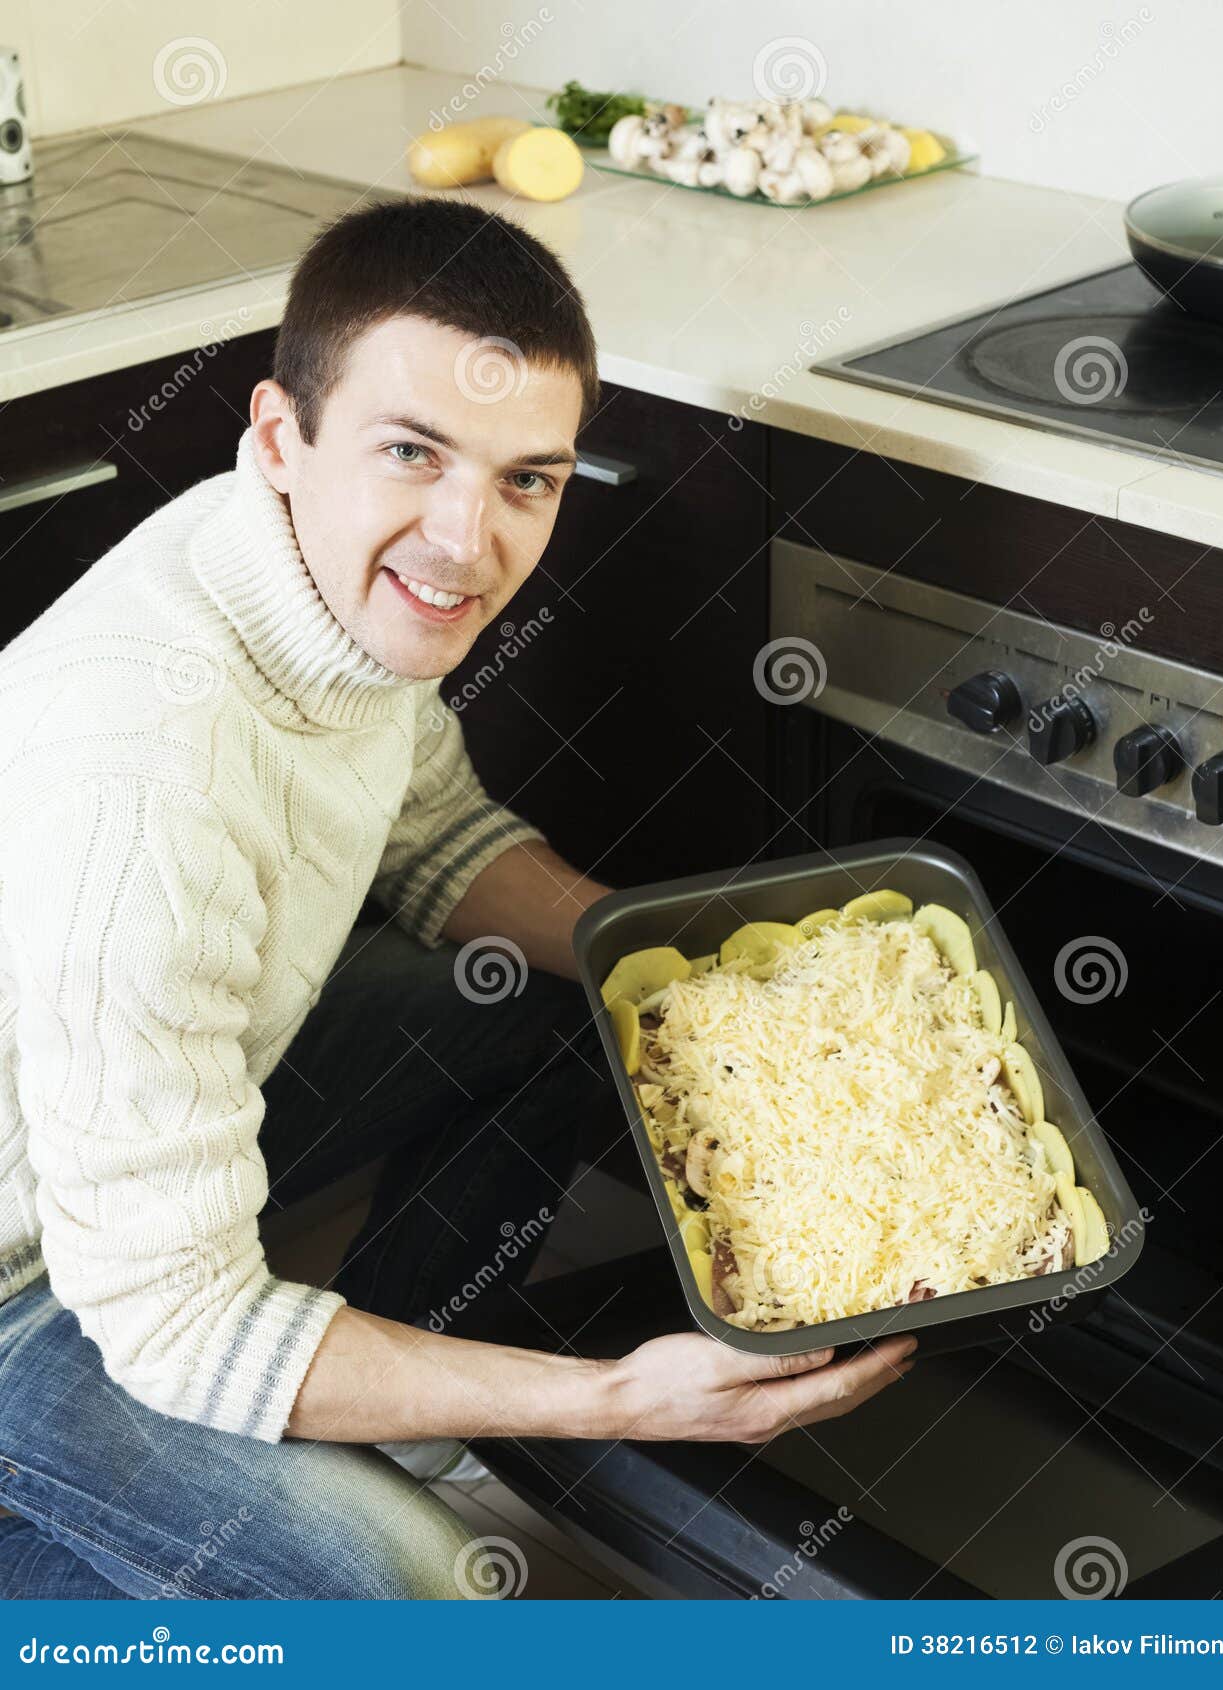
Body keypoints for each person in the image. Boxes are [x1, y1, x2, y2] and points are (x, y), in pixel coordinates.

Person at [0, 198, 917, 1601]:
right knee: (426, 1592)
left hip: (126, 1152)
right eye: (413, 453)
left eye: (525, 480)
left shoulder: (317, 570)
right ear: (277, 434)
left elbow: (434, 835)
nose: (464, 542)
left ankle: (386, 1403)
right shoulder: (147, 773)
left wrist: (695, 970)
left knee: (583, 994)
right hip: (38, 1274)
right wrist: (613, 1397)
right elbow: (177, 1317)